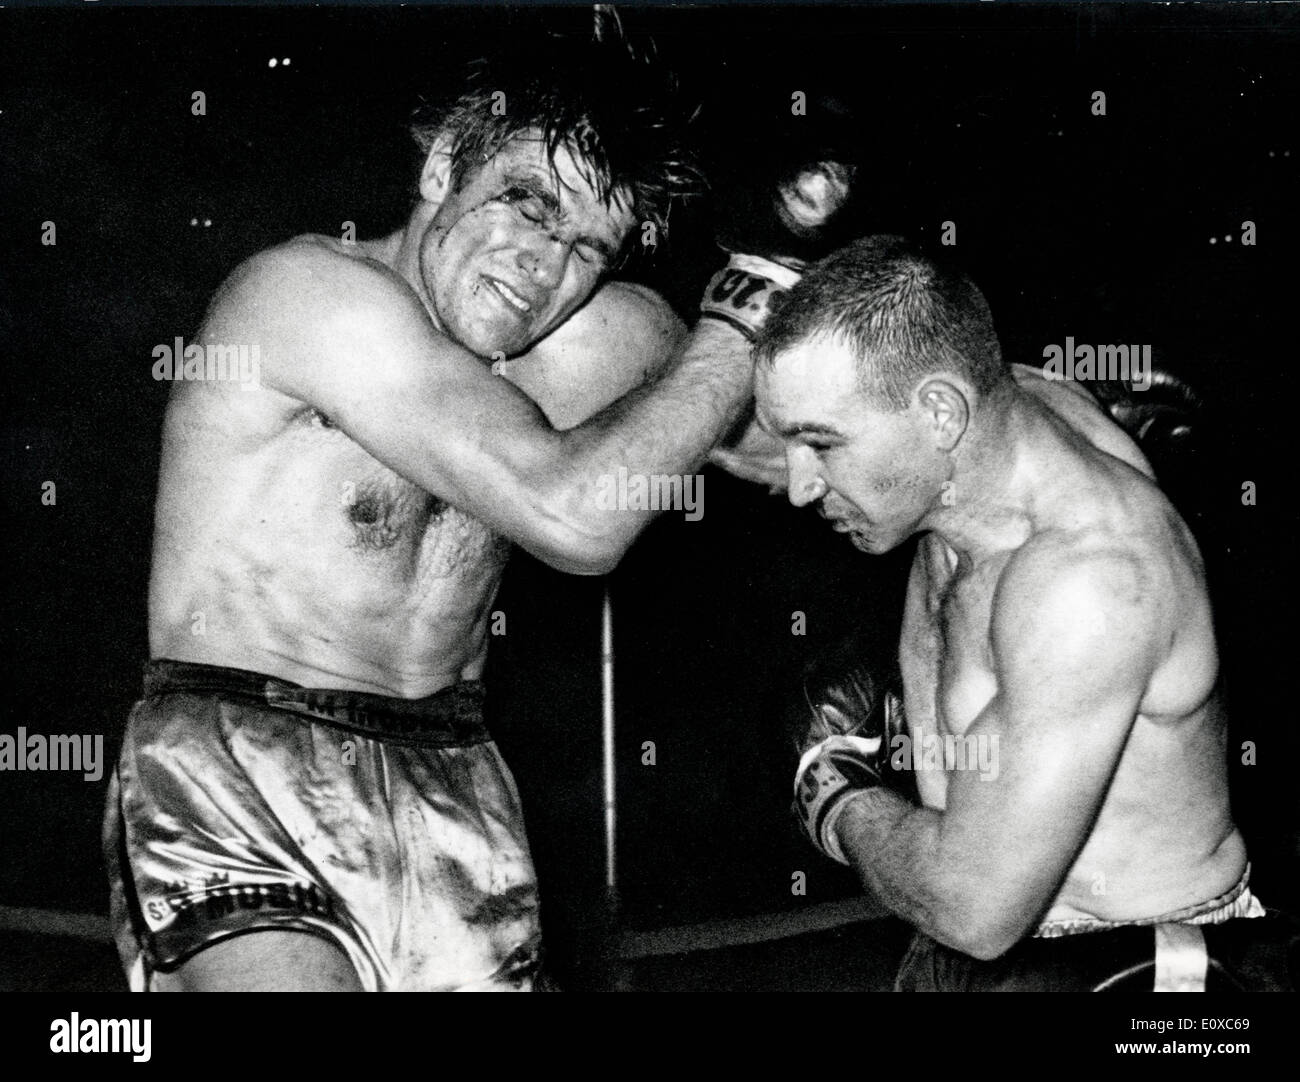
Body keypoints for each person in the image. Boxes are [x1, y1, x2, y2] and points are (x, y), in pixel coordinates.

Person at [104, 18, 842, 991]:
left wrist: (1026, 404)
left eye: (586, 246)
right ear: (446, 161)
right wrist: (749, 303)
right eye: (528, 206)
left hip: (453, 773)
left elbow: (809, 420)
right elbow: (576, 513)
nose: (544, 264)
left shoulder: (585, 340)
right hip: (240, 760)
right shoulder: (304, 298)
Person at [755, 235, 1295, 991]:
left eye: (820, 446)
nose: (801, 486)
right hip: (979, 942)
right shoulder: (985, 412)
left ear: (940, 414)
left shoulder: (1087, 583)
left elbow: (974, 910)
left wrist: (833, 788)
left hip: (1131, 972)